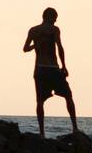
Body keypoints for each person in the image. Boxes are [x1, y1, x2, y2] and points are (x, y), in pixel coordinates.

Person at [23, 7, 78, 137]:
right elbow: (59, 47)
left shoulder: (33, 30)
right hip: (52, 68)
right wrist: (64, 66)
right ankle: (75, 128)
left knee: (40, 101)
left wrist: (36, 45)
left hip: (40, 69)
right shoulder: (54, 29)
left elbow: (25, 48)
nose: (56, 20)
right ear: (49, 17)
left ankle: (42, 133)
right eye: (55, 18)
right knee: (68, 96)